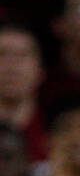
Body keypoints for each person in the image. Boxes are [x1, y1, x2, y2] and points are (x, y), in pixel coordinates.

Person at [0, 23, 47, 161]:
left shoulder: (57, 131)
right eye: (2, 54)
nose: (11, 66)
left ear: (41, 71)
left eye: (22, 55)